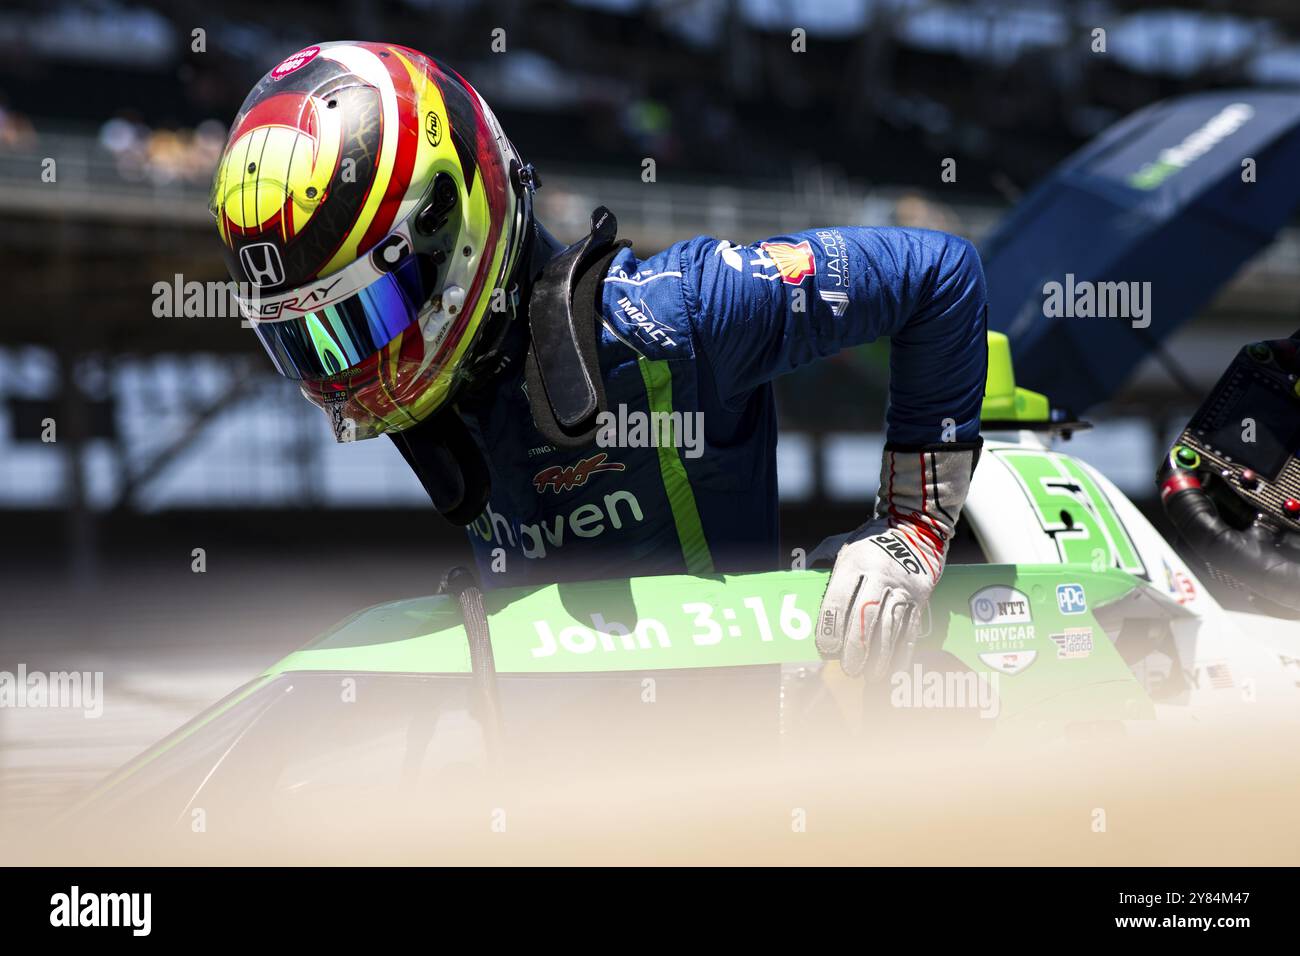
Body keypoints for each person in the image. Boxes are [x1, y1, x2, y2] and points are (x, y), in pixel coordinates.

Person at [209, 42, 988, 680]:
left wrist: (913, 525)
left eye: (361, 317)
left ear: (453, 223)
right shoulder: (437, 398)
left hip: (739, 771)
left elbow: (939, 274)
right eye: (311, 341)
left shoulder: (674, 313)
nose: (350, 371)